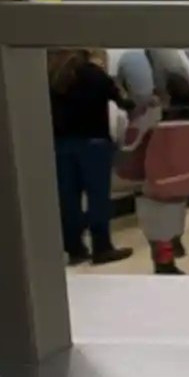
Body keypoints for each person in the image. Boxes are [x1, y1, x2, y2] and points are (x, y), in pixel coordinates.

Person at [49, 49, 135, 265]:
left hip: (60, 145)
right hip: (94, 143)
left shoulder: (51, 75)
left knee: (68, 199)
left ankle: (75, 248)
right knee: (98, 198)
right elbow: (124, 101)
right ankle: (102, 247)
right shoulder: (94, 74)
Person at [126, 72, 189, 276]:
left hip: (156, 178)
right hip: (183, 180)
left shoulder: (153, 117)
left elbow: (132, 141)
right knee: (172, 215)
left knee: (155, 223)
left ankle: (164, 262)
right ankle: (173, 243)